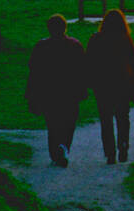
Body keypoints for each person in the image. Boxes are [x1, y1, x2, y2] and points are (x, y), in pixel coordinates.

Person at [26, 14, 88, 168]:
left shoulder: (41, 47)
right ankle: (64, 147)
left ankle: (55, 152)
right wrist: (83, 89)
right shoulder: (75, 46)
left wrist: (31, 96)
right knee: (69, 122)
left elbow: (34, 73)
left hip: (49, 93)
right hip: (70, 93)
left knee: (52, 124)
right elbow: (82, 71)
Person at [86, 9, 134, 164]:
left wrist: (89, 81)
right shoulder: (125, 39)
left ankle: (110, 153)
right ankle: (123, 146)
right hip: (122, 82)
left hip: (102, 84)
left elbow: (89, 62)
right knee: (123, 117)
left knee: (106, 119)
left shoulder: (96, 39)